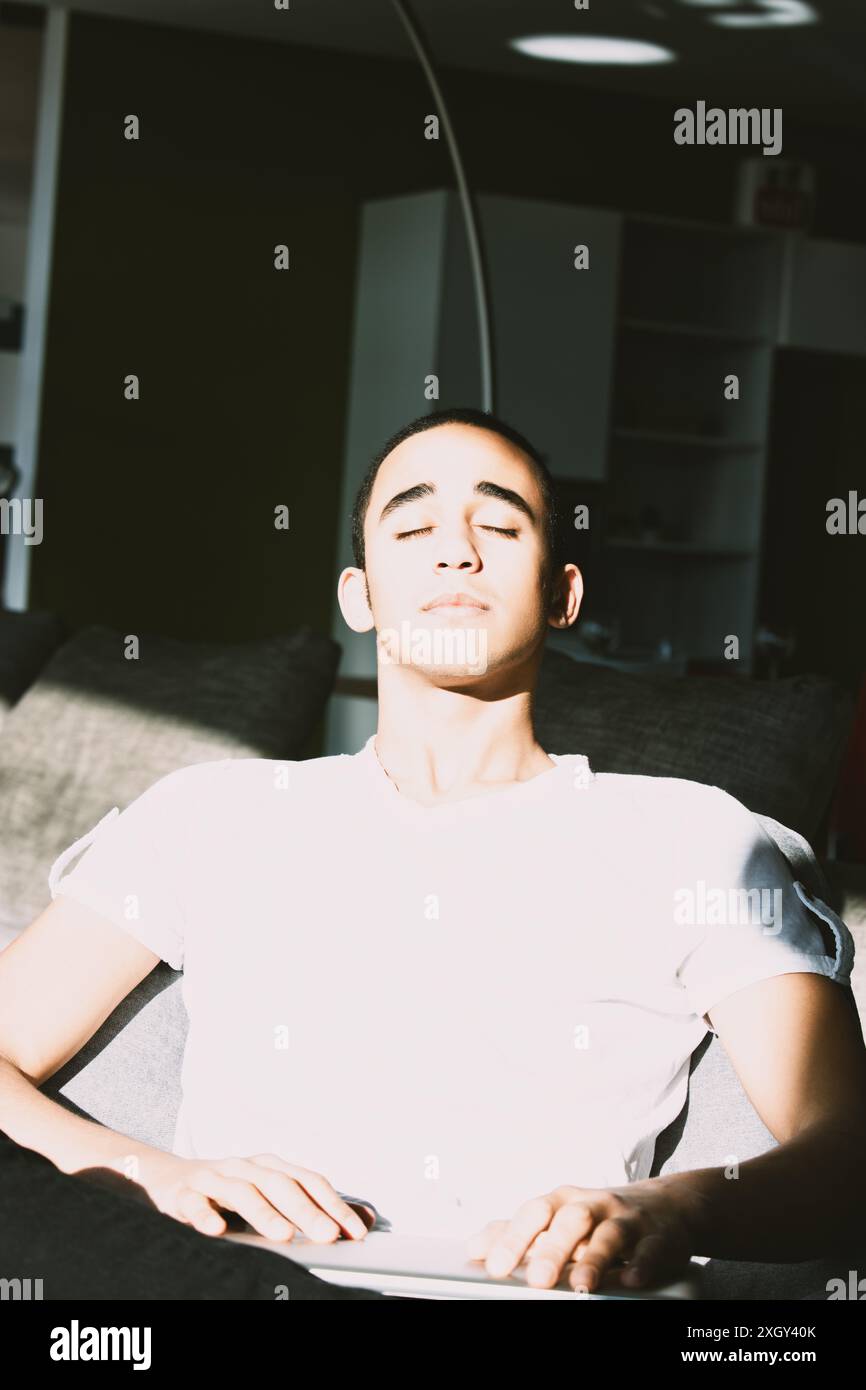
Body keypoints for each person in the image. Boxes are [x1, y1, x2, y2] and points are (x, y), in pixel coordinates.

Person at [1, 406, 864, 1299]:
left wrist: (673, 1207)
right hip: (219, 1279)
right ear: (358, 596)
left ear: (564, 594)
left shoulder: (694, 839)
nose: (456, 550)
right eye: (412, 528)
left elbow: (844, 1151)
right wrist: (150, 1175)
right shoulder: (210, 814)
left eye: (498, 524)